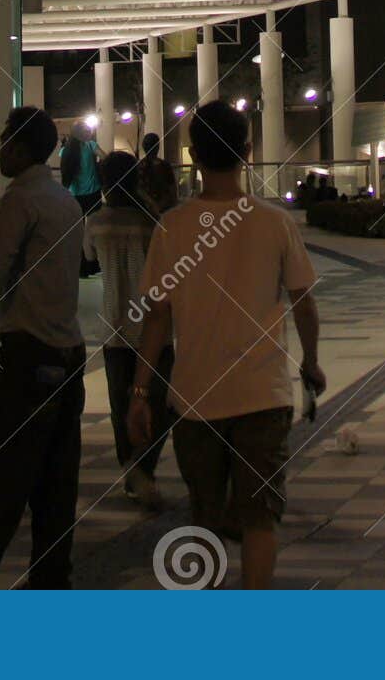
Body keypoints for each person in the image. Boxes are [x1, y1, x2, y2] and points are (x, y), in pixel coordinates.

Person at [128, 100, 324, 590]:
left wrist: (138, 392)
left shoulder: (172, 227)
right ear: (248, 152)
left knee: (206, 517)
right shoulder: (273, 221)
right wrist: (312, 362)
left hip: (195, 398)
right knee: (260, 518)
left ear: (193, 154)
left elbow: (156, 317)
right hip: (263, 394)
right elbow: (304, 301)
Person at [0, 106, 85, 590]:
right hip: (68, 353)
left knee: (2, 480)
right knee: (55, 483)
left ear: (22, 149)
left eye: (5, 142)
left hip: (29, 354)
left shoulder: (20, 199)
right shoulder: (65, 200)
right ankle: (51, 579)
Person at [85, 150, 172, 510]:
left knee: (121, 402)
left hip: (114, 324)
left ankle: (131, 468)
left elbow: (89, 258)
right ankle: (146, 467)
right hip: (152, 325)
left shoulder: (95, 222)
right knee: (159, 400)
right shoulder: (150, 222)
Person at [60, 119, 102, 214]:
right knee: (93, 224)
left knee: (77, 224)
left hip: (74, 193)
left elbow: (65, 169)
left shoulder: (65, 150)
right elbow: (106, 158)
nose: (90, 133)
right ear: (81, 134)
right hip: (93, 191)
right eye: (87, 131)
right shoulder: (91, 145)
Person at [136, 130, 178, 213]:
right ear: (157, 147)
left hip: (145, 211)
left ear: (144, 147)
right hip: (164, 209)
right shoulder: (165, 166)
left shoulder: (139, 166)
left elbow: (138, 189)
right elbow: (172, 190)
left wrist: (151, 203)